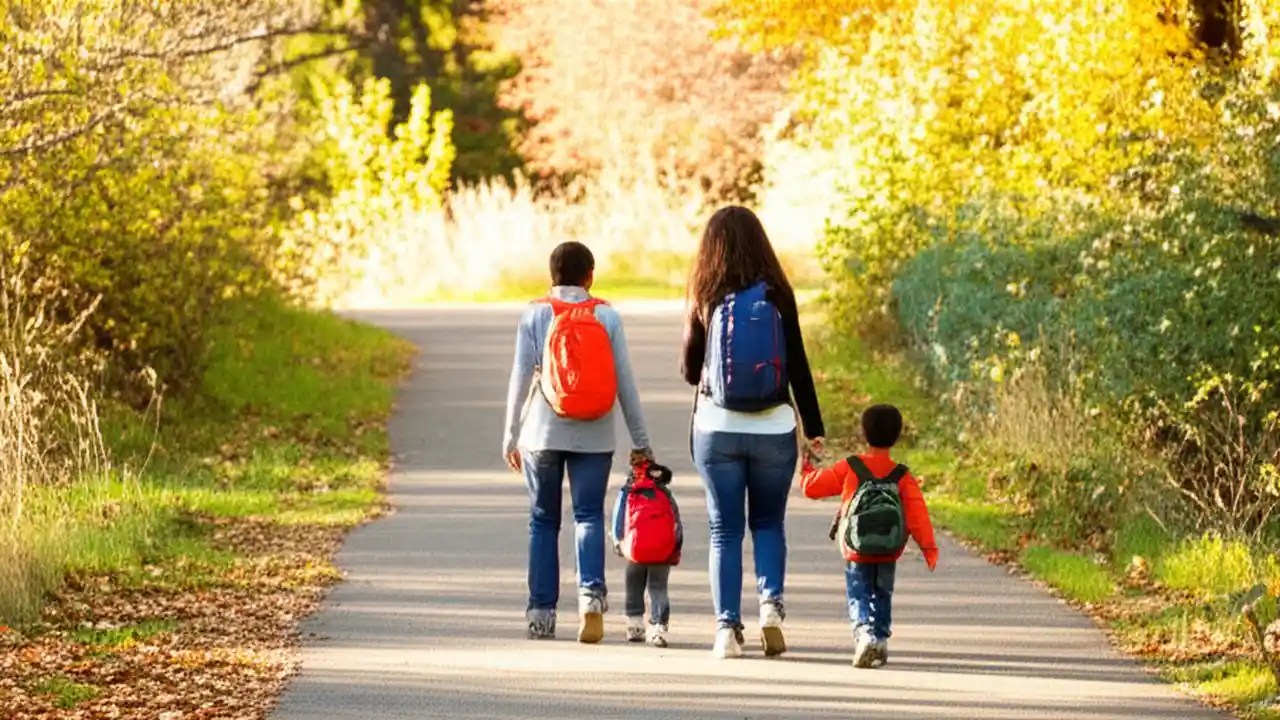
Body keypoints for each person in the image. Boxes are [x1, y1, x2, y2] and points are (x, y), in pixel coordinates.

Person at [681, 205, 825, 659]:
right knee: (768, 522)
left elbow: (688, 368)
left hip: (717, 427)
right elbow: (798, 366)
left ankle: (726, 629)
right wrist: (815, 428)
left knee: (724, 529)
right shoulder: (779, 294)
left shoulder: (706, 291)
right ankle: (770, 607)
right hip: (775, 426)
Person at [503, 241, 653, 644]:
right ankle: (591, 599)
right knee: (588, 516)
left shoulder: (534, 313)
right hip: (596, 432)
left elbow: (520, 378)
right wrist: (641, 441)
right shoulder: (607, 316)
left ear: (550, 275)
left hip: (541, 433)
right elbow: (625, 383)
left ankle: (541, 614)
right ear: (590, 276)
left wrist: (510, 435)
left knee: (542, 521)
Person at [800, 404, 939, 668]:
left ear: (864, 434)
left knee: (859, 591)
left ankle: (864, 634)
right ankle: (881, 639)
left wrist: (806, 468)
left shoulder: (851, 466)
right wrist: (929, 549)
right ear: (896, 436)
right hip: (888, 547)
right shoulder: (901, 475)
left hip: (857, 547)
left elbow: (812, 488)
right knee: (882, 591)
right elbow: (918, 515)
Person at [610, 461, 681, 648]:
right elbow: (675, 522)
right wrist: (674, 547)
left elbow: (618, 517)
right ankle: (658, 626)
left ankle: (635, 623)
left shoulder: (628, 490)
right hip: (661, 551)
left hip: (635, 549)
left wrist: (618, 541)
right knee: (658, 587)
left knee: (634, 583)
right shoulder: (664, 492)